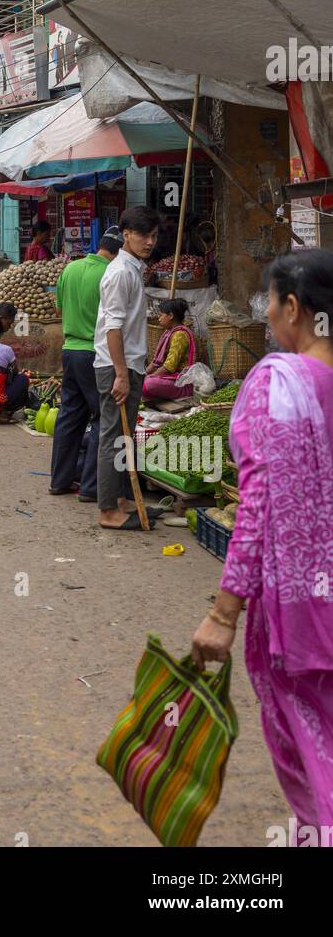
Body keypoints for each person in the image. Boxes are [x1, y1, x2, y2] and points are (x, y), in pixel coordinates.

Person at [191, 250, 333, 838]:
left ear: (293, 308)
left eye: (271, 302)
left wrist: (224, 614)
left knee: (317, 764)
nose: (269, 315)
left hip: (301, 615)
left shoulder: (278, 382)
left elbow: (258, 503)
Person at [94, 206, 161, 530]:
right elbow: (113, 327)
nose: (149, 241)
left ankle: (120, 498)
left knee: (123, 436)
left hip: (128, 364)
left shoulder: (133, 268)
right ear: (126, 235)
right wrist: (121, 373)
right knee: (112, 437)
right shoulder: (120, 272)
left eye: (154, 235)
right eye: (143, 235)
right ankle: (108, 511)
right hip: (116, 365)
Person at [48, 229, 122, 500]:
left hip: (70, 350)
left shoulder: (71, 269)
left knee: (69, 416)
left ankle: (59, 480)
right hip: (97, 354)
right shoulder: (111, 274)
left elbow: (58, 310)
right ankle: (91, 487)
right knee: (103, 417)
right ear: (118, 252)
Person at [143, 298, 197, 401]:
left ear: (171, 316)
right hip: (171, 378)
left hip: (182, 382)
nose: (159, 318)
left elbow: (169, 367)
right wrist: (144, 374)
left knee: (148, 384)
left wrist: (148, 378)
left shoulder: (179, 335)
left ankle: (182, 393)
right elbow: (156, 362)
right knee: (139, 380)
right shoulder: (169, 333)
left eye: (161, 315)